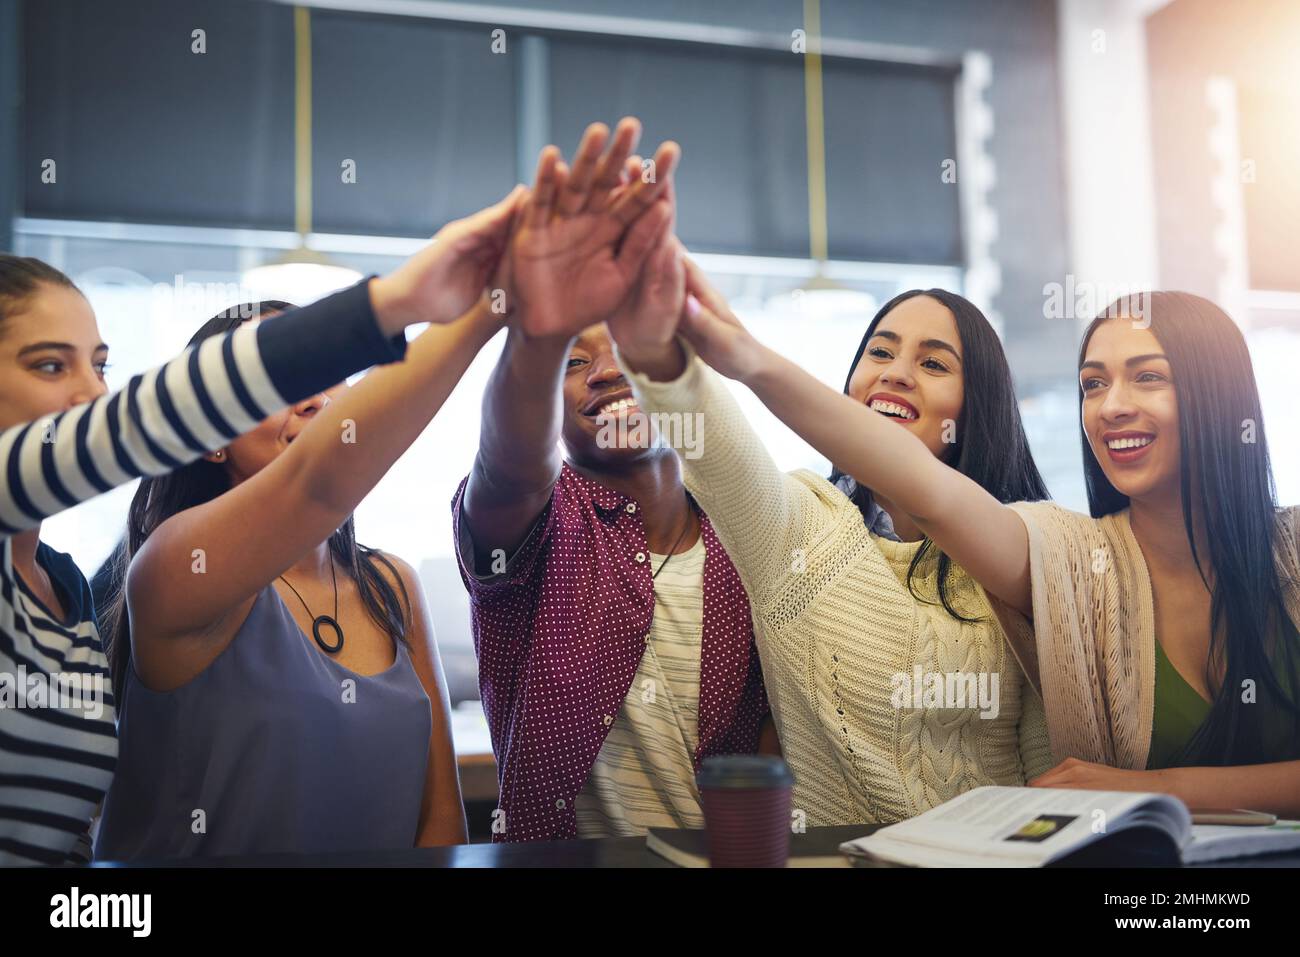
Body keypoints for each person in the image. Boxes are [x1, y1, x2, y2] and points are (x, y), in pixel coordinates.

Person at [645, 276, 1300, 817]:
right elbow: (927, 489)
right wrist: (732, 355)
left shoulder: (1287, 551)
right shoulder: (1071, 556)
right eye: (1093, 384)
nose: (1109, 406)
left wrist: (1159, 789)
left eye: (1146, 377)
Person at [0, 212, 500, 865]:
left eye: (100, 365)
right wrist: (472, 298)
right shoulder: (172, 566)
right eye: (47, 364)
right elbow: (313, 478)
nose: (94, 394)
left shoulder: (60, 588)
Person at [608, 246, 1056, 827]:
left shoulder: (1020, 547)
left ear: (978, 409)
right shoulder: (799, 524)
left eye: (934, 364)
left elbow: (1049, 767)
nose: (895, 372)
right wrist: (651, 336)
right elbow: (712, 434)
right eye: (881, 352)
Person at [454, 119, 775, 842]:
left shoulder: (743, 532)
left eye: (624, 348)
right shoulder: (538, 523)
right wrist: (539, 329)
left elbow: (770, 733)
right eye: (573, 358)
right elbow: (509, 460)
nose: (604, 371)